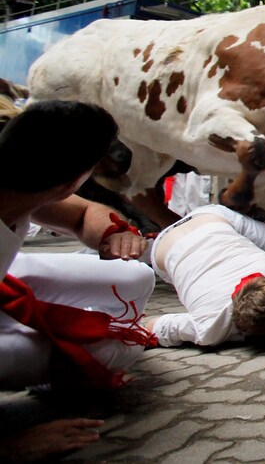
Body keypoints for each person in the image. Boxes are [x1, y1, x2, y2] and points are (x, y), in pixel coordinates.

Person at [0, 101, 157, 460]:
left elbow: (86, 211)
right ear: (71, 182)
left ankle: (47, 332)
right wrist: (11, 447)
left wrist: (113, 234)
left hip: (8, 278)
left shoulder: (20, 186)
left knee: (134, 276)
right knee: (114, 347)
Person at [142, 204, 265, 348]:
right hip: (198, 227)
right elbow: (151, 328)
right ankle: (262, 222)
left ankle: (262, 223)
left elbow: (149, 328)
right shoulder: (210, 327)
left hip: (193, 230)